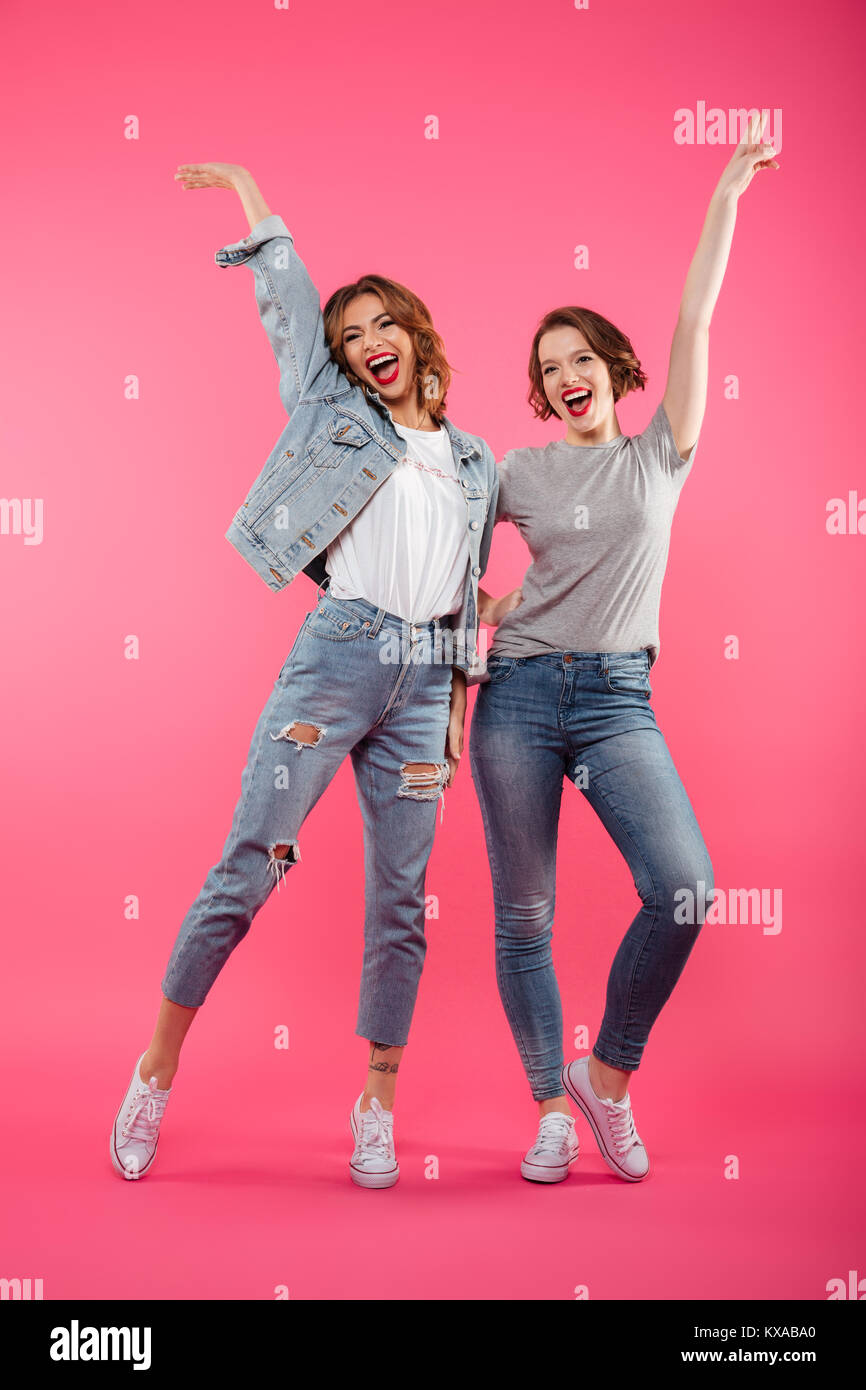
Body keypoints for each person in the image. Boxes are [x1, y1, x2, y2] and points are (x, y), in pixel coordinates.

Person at [110, 162, 498, 1189]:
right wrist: (248, 192)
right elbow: (287, 308)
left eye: (383, 325)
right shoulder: (336, 410)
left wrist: (455, 713)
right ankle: (155, 1069)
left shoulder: (473, 461)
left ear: (416, 335)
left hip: (424, 686)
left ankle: (374, 1106)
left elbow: (465, 590)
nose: (368, 341)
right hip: (338, 655)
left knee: (401, 899)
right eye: (352, 334)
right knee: (251, 859)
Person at [471, 113, 778, 1183]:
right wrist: (491, 608)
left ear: (611, 366)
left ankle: (605, 1080)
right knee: (523, 917)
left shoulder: (660, 455)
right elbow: (448, 555)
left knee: (682, 887)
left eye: (578, 357)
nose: (564, 374)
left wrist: (722, 200)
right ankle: (547, 1109)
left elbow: (693, 316)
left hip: (612, 702)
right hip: (510, 700)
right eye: (546, 366)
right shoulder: (516, 470)